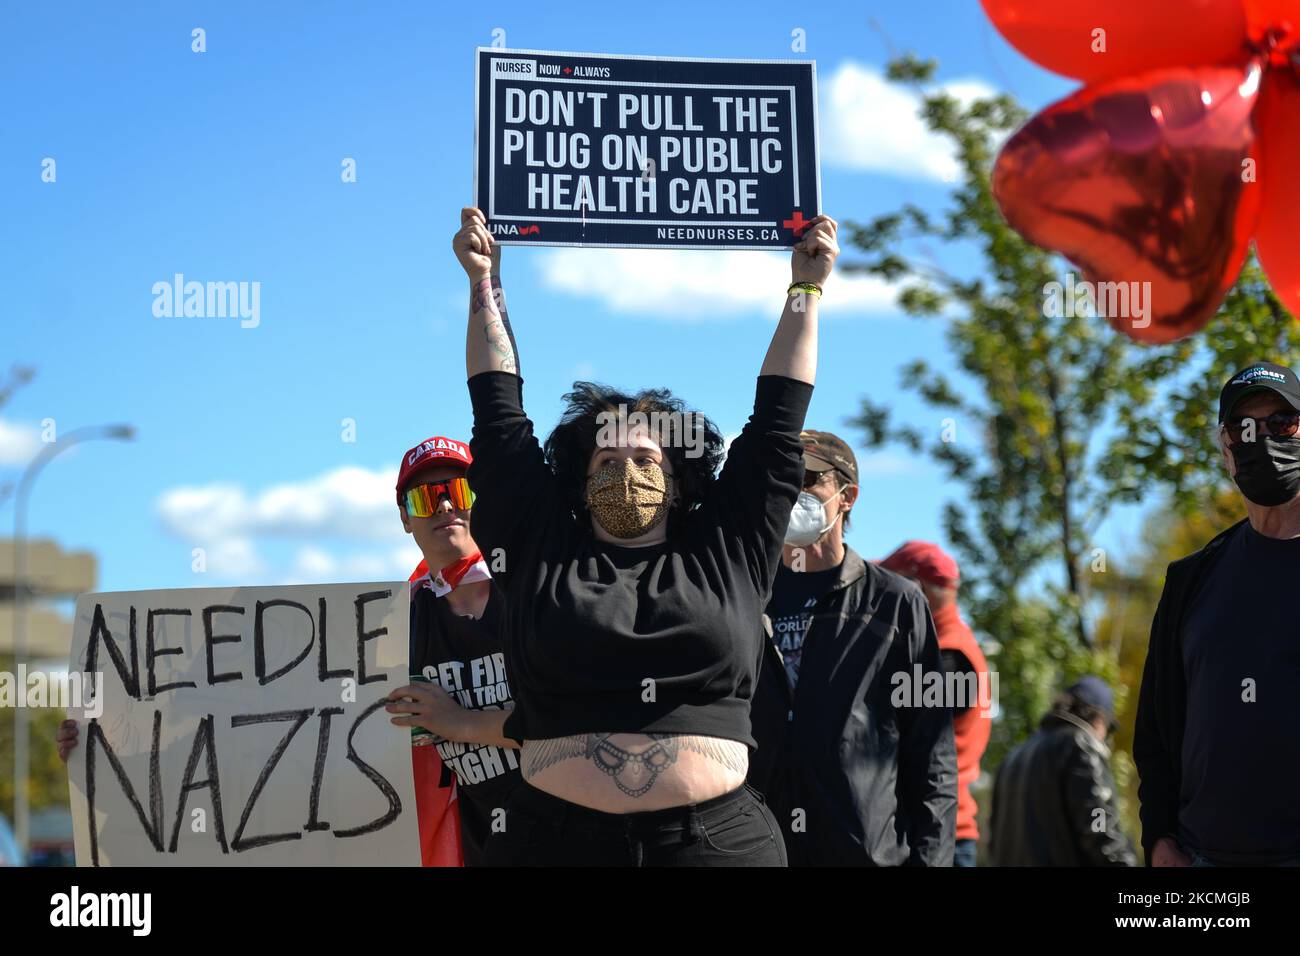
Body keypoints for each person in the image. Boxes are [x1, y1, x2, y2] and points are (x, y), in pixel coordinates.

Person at [444, 204, 838, 866]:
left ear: (679, 481)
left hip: (715, 847)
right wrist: (485, 281)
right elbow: (498, 413)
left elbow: (776, 419)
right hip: (553, 846)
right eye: (606, 462)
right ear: (577, 481)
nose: (626, 472)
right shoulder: (541, 548)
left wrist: (805, 288)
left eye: (646, 459)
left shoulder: (727, 549)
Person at [750, 430, 958, 866]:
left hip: (865, 853)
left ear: (847, 497)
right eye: (784, 480)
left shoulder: (895, 601)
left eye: (808, 481)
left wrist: (930, 861)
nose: (793, 493)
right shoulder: (748, 595)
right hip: (762, 851)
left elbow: (932, 751)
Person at [1135, 360, 1300, 867]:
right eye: (1244, 427)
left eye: (1281, 423)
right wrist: (1159, 839)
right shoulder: (1192, 578)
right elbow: (1156, 731)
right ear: (1225, 448)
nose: (1263, 439)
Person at [383, 434, 523, 867]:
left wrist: (457, 722)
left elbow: (567, 722)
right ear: (406, 518)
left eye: (458, 491)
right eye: (425, 499)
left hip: (572, 837)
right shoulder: (394, 624)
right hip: (475, 849)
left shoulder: (528, 588)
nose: (444, 506)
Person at [880, 540, 991, 867]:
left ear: (916, 588)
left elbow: (893, 732)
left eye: (887, 584)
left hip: (939, 835)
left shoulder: (948, 657)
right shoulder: (948, 646)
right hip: (942, 828)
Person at [987, 676, 1135, 867]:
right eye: (1110, 728)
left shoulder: (1013, 756)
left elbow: (995, 839)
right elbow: (1099, 826)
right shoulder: (1081, 745)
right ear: (1100, 719)